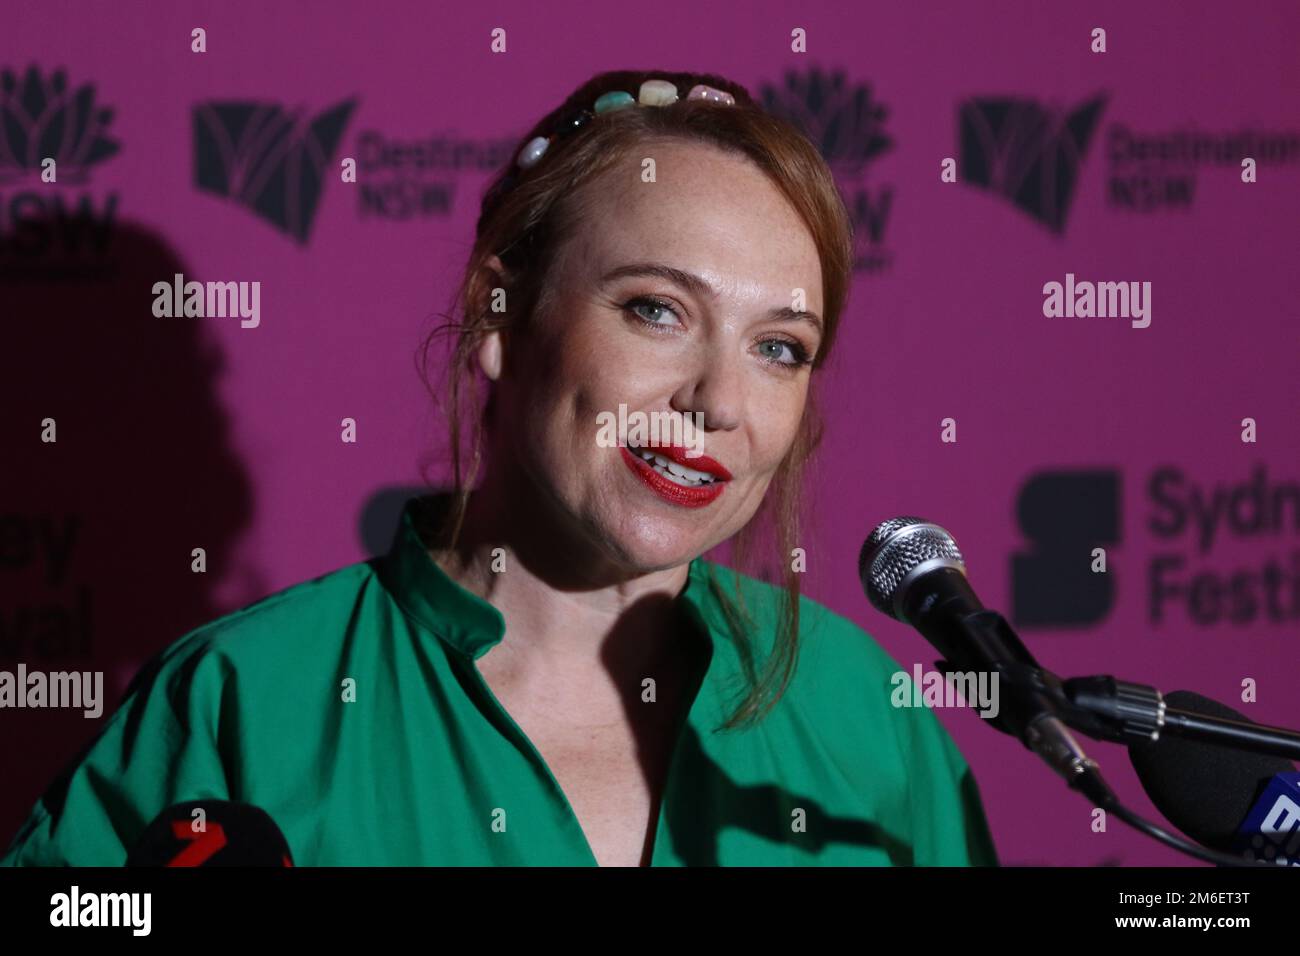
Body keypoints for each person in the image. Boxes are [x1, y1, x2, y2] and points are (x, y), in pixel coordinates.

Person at [2, 69, 998, 867]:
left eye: (779, 347)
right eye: (656, 308)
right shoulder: (238, 704)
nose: (721, 402)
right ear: (497, 314)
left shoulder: (871, 720)